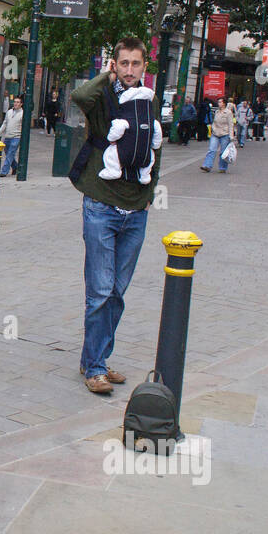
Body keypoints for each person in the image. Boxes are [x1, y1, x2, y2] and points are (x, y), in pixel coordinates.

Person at [70, 38, 161, 396]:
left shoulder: (150, 102)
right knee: (101, 291)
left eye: (135, 64)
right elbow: (79, 97)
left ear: (144, 67)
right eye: (123, 63)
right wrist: (106, 77)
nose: (128, 70)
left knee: (117, 293)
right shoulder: (102, 98)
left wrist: (150, 195)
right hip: (101, 206)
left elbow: (155, 147)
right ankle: (94, 367)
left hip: (135, 210)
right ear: (115, 65)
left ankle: (96, 358)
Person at [200, 97, 235, 173]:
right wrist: (213, 129)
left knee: (223, 152)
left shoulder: (228, 113)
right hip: (215, 133)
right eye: (218, 102)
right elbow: (214, 122)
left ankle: (222, 167)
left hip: (224, 134)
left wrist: (231, 136)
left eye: (220, 102)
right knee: (212, 150)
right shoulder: (217, 112)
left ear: (224, 103)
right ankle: (207, 166)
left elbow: (230, 124)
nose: (218, 103)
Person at [0, 95, 24, 177]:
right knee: (8, 153)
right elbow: (5, 123)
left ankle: (4, 171)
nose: (15, 103)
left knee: (10, 154)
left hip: (16, 137)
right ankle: (15, 167)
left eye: (18, 102)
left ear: (21, 104)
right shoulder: (9, 112)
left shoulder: (23, 114)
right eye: (15, 102)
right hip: (7, 136)